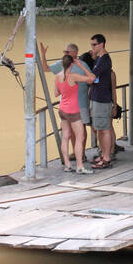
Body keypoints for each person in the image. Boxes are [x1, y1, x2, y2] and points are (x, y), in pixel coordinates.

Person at [39, 41, 95, 173]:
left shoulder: (58, 76)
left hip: (64, 109)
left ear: (75, 53)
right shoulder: (73, 74)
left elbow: (56, 93)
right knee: (79, 136)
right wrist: (43, 55)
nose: (65, 54)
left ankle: (68, 164)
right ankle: (80, 165)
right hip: (74, 109)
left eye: (67, 52)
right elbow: (92, 78)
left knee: (66, 136)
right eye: (64, 52)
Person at [87, 33, 116, 169]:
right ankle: (103, 155)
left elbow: (92, 77)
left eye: (94, 44)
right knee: (99, 129)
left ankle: (106, 158)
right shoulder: (98, 58)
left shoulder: (104, 59)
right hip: (96, 98)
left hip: (102, 100)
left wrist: (79, 66)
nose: (92, 47)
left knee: (104, 130)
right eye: (91, 44)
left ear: (101, 44)